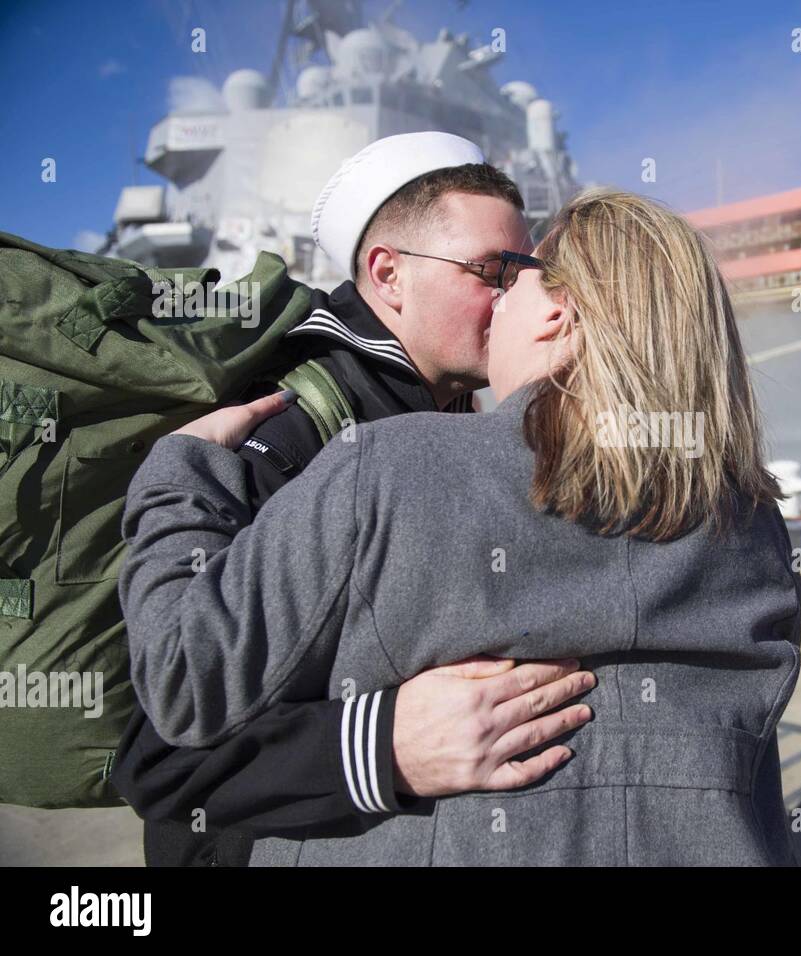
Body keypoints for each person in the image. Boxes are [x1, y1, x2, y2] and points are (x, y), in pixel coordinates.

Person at [117, 187, 801, 866]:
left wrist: (180, 472)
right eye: (489, 273)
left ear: (559, 310)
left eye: (513, 280)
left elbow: (182, 680)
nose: (497, 302)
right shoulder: (753, 523)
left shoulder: (385, 467)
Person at [111, 132, 593, 866]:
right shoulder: (294, 429)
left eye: (525, 271)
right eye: (491, 271)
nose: (515, 296)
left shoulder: (446, 413)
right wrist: (387, 745)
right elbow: (162, 752)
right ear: (388, 275)